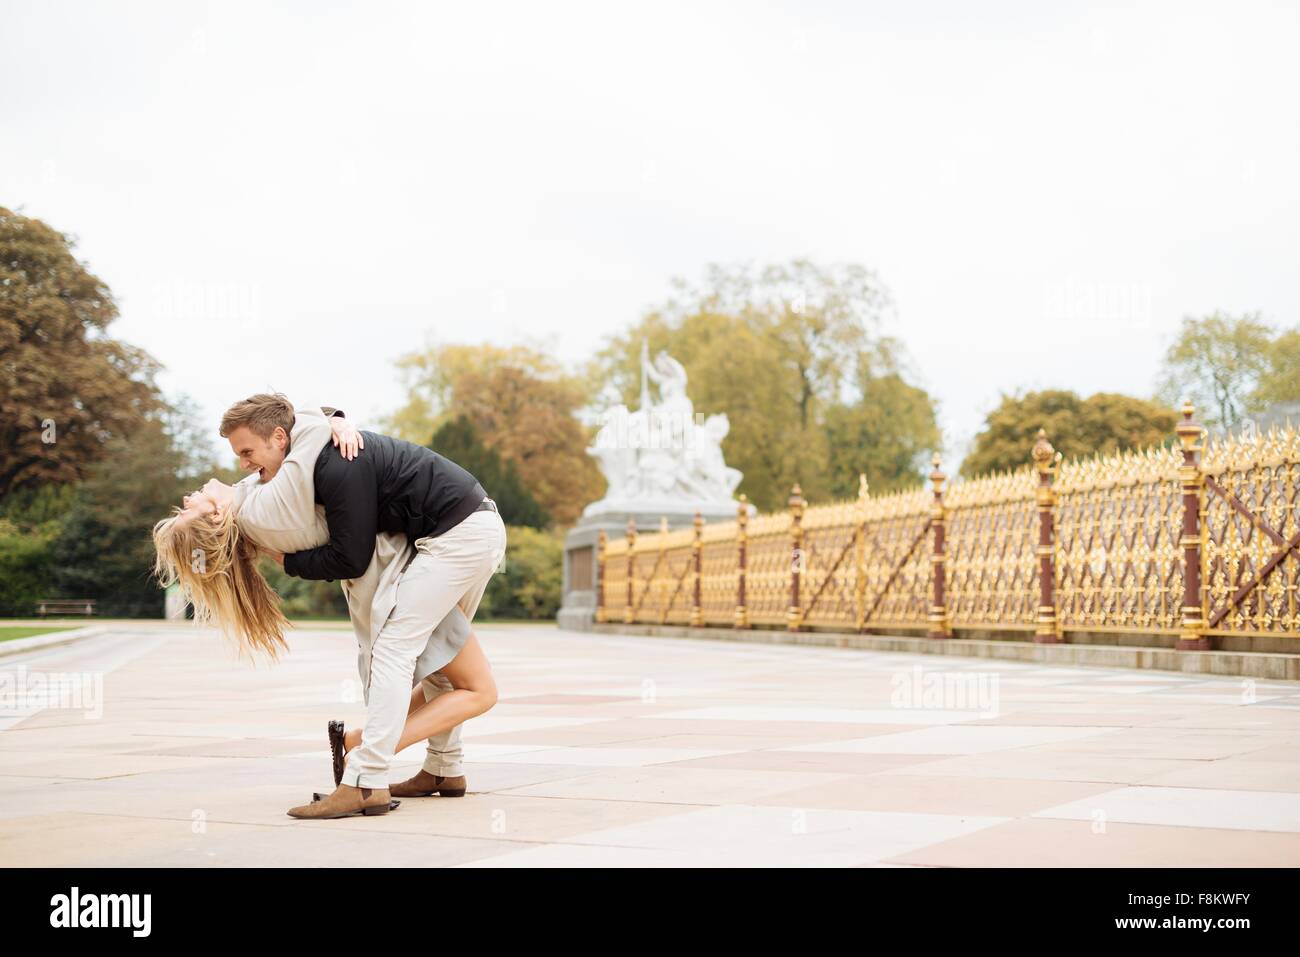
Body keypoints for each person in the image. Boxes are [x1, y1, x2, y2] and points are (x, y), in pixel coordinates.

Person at [153, 395, 506, 819]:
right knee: (439, 663)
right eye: (190, 508)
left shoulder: (301, 468)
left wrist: (334, 418)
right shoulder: (266, 502)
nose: (193, 494)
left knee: (397, 650)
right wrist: (289, 558)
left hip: (458, 534)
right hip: (461, 533)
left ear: (280, 439)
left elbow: (297, 422)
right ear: (213, 520)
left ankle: (364, 774)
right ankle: (443, 769)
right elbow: (349, 555)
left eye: (247, 451)